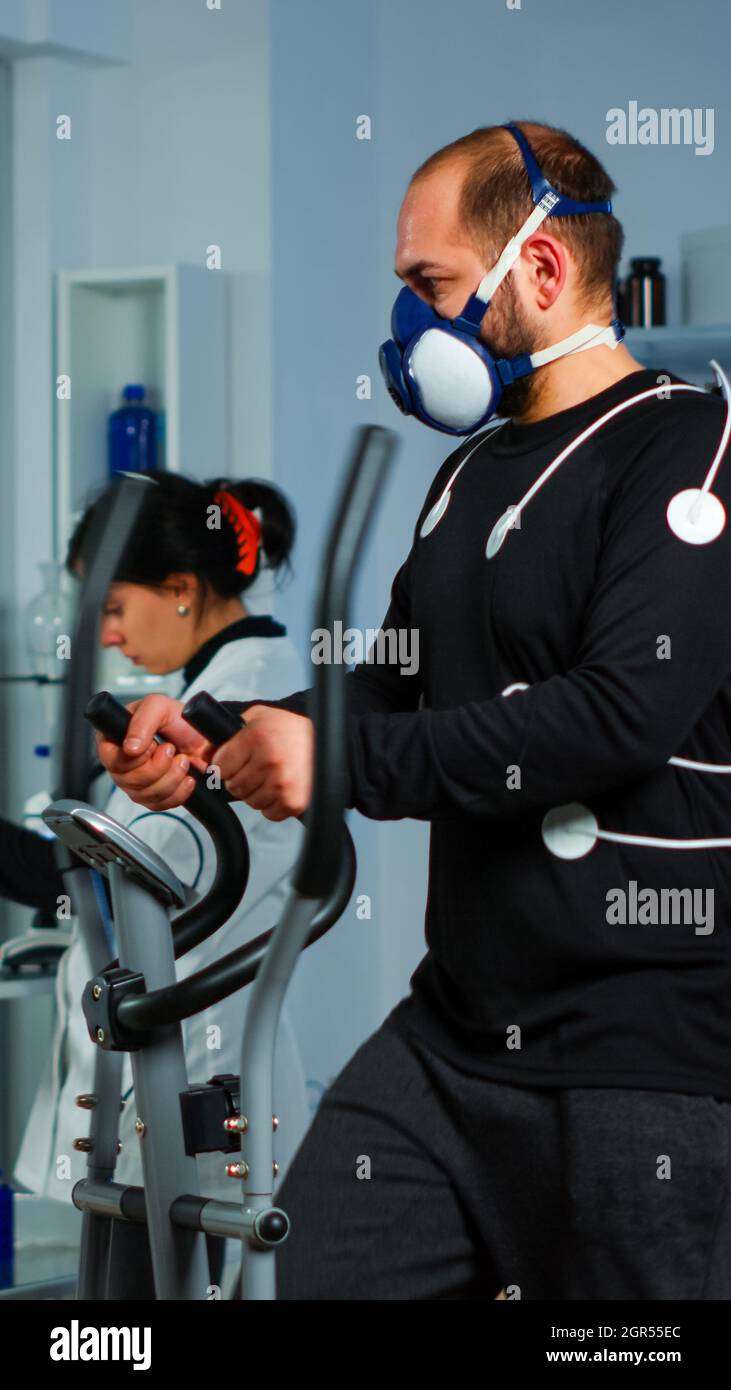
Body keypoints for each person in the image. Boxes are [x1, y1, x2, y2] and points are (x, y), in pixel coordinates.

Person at [96, 121, 731, 1301]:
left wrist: (335, 762)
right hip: (452, 1032)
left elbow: (614, 715)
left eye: (430, 286)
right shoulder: (468, 470)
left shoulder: (687, 447)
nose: (411, 327)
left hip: (637, 1050)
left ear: (538, 270)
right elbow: (392, 672)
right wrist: (226, 735)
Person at [9, 471, 310, 1290]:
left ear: (181, 590)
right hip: (162, 1051)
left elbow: (136, 882)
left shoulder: (243, 699)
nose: (106, 636)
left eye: (112, 608)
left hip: (196, 1053)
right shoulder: (206, 693)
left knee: (157, 1289)